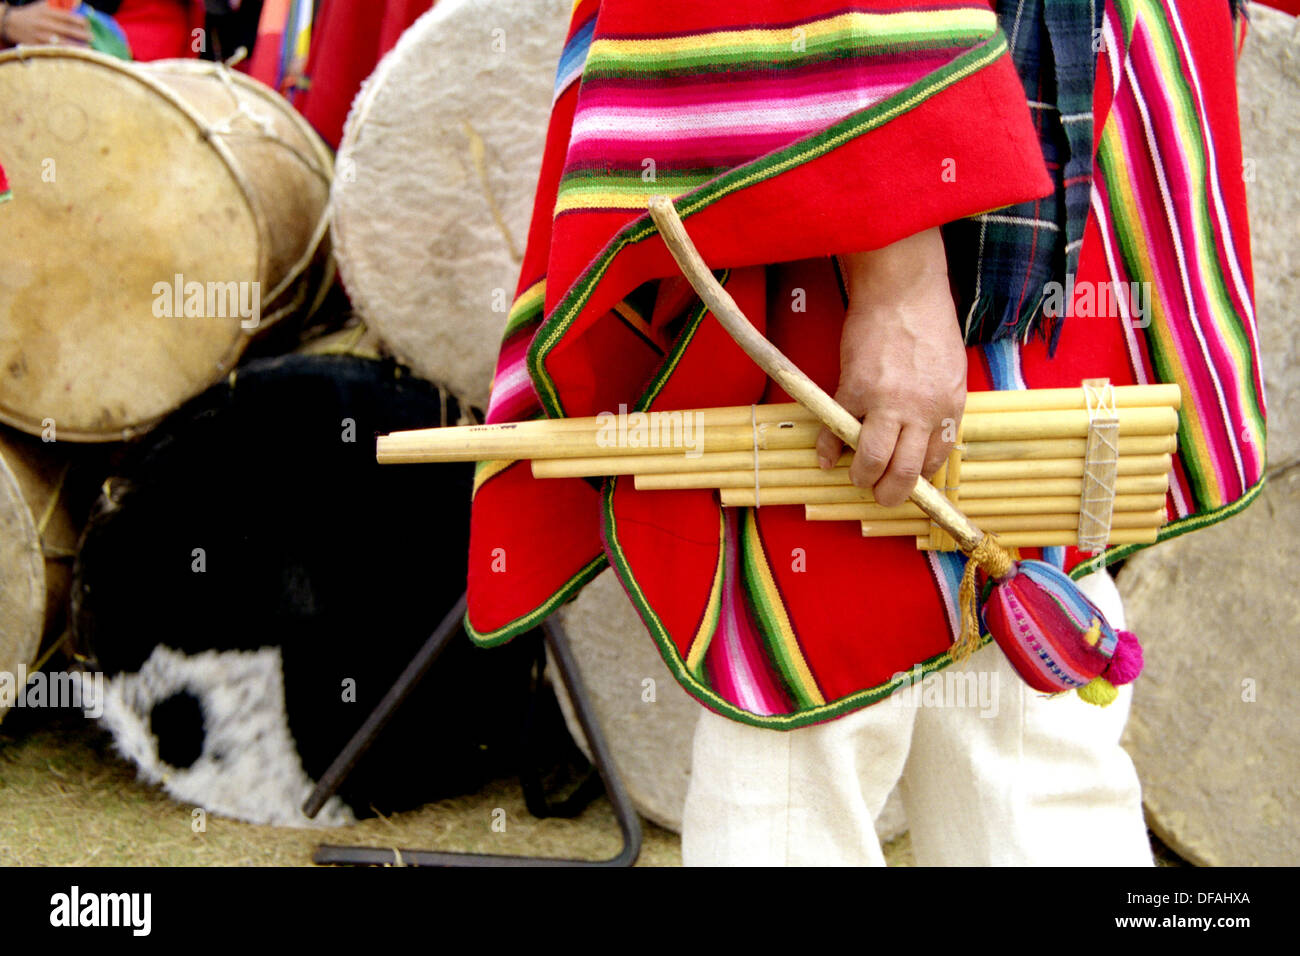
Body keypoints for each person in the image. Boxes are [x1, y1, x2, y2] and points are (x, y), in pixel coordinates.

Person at [463, 0, 1264, 865]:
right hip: (834, 190)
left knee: (1033, 719)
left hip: (1062, 151)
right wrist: (893, 270)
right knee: (813, 707)